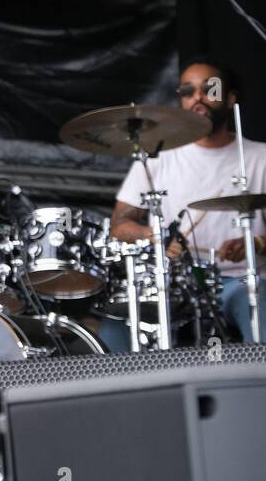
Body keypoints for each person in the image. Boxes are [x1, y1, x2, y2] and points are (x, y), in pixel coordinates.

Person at [107, 56, 266, 348]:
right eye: (188, 91)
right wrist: (154, 236)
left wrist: (254, 245)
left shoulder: (259, 158)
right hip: (174, 284)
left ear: (231, 98)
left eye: (210, 89)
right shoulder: (158, 158)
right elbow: (118, 225)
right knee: (112, 333)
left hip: (242, 281)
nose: (198, 98)